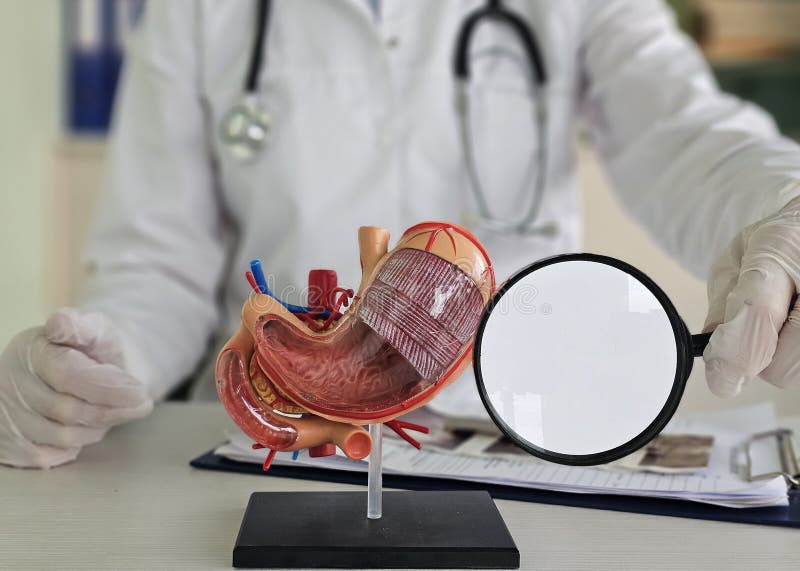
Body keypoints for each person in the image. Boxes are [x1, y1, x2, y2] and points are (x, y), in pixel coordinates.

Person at [2, 0, 800, 468]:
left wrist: (786, 212)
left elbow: (690, 137)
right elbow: (155, 264)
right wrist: (96, 367)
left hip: (526, 435)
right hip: (287, 446)